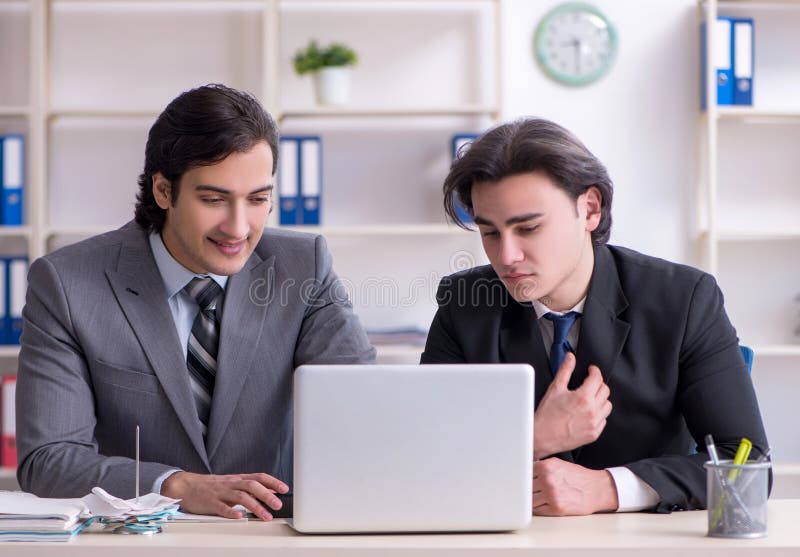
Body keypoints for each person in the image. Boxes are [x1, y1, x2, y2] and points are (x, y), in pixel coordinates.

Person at [16, 84, 375, 520]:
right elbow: (48, 460)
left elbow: (363, 413)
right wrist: (174, 485)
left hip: (272, 537)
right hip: (141, 541)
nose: (239, 227)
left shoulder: (304, 267)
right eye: (214, 200)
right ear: (164, 191)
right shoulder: (66, 283)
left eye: (259, 200)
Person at [421, 118, 769, 515]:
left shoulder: (684, 299)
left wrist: (609, 488)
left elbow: (748, 464)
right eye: (491, 233)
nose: (507, 257)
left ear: (589, 208)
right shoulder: (463, 303)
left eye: (529, 228)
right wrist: (532, 439)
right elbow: (423, 462)